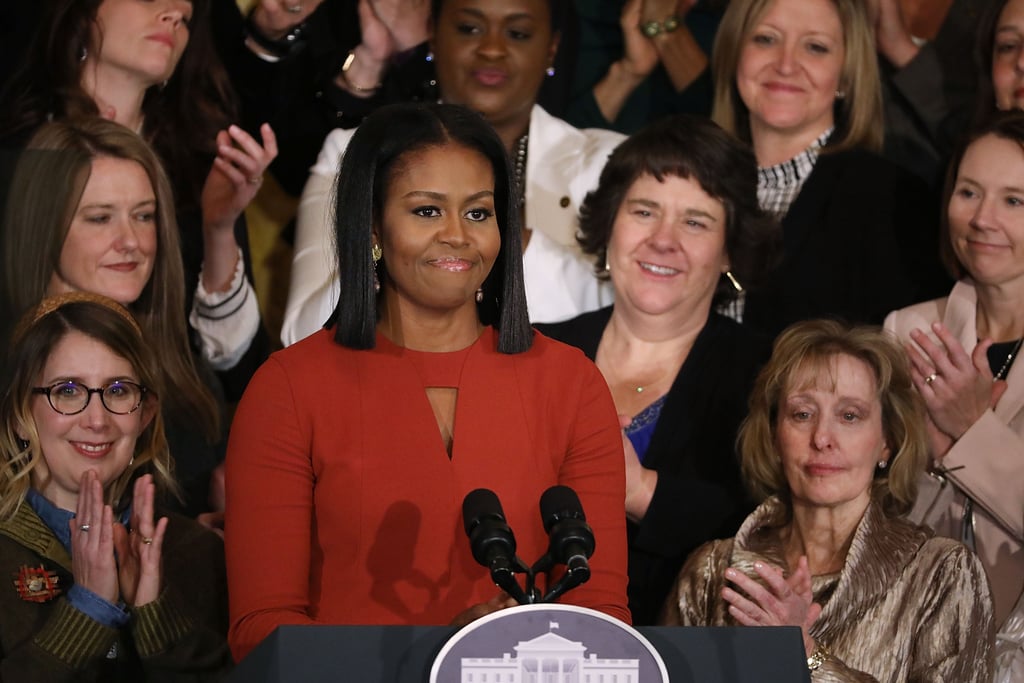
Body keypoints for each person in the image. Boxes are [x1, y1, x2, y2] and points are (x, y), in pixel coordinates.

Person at [225, 102, 630, 661]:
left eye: (479, 213)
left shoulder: (571, 384)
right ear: (372, 225)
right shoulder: (288, 390)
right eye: (426, 211)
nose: (457, 235)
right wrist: (438, 654)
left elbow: (603, 618)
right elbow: (260, 630)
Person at [538, 114, 775, 624]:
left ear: (729, 249)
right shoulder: (533, 352)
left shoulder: (769, 376)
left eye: (695, 221)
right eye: (645, 211)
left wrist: (640, 490)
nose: (663, 240)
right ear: (609, 223)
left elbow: (774, 538)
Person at [663, 319, 995, 681]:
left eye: (849, 416)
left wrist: (807, 656)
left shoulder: (942, 572)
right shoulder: (712, 571)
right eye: (802, 414)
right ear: (774, 435)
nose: (822, 438)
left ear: (887, 441)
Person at [282, 0, 625, 344]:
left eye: (518, 33)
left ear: (551, 48)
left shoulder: (610, 164)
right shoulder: (356, 153)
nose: (492, 49)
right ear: (433, 34)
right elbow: (302, 335)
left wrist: (519, 244)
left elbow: (628, 322)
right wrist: (377, 244)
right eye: (469, 28)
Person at [0, 0, 275, 398]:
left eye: (186, 18)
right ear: (83, 12)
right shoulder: (15, 159)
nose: (174, 14)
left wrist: (218, 230)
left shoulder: (201, 172)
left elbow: (237, 372)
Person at [0, 292, 231, 681]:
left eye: (119, 390)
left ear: (145, 414)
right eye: (68, 390)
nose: (97, 420)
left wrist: (155, 614)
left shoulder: (197, 550)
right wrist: (88, 609)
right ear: (20, 415)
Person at [2, 119, 224, 519]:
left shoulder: (187, 376)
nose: (131, 242)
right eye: (100, 218)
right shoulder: (11, 368)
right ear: (42, 227)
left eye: (144, 216)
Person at [709, 0, 946, 338]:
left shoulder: (891, 197)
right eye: (766, 39)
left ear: (846, 76)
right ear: (734, 52)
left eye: (815, 47)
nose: (786, 64)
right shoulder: (696, 177)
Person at [885, 110, 1024, 679]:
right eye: (969, 192)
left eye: (1014, 201)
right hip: (910, 642)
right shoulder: (907, 330)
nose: (982, 218)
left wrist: (973, 431)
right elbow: (874, 507)